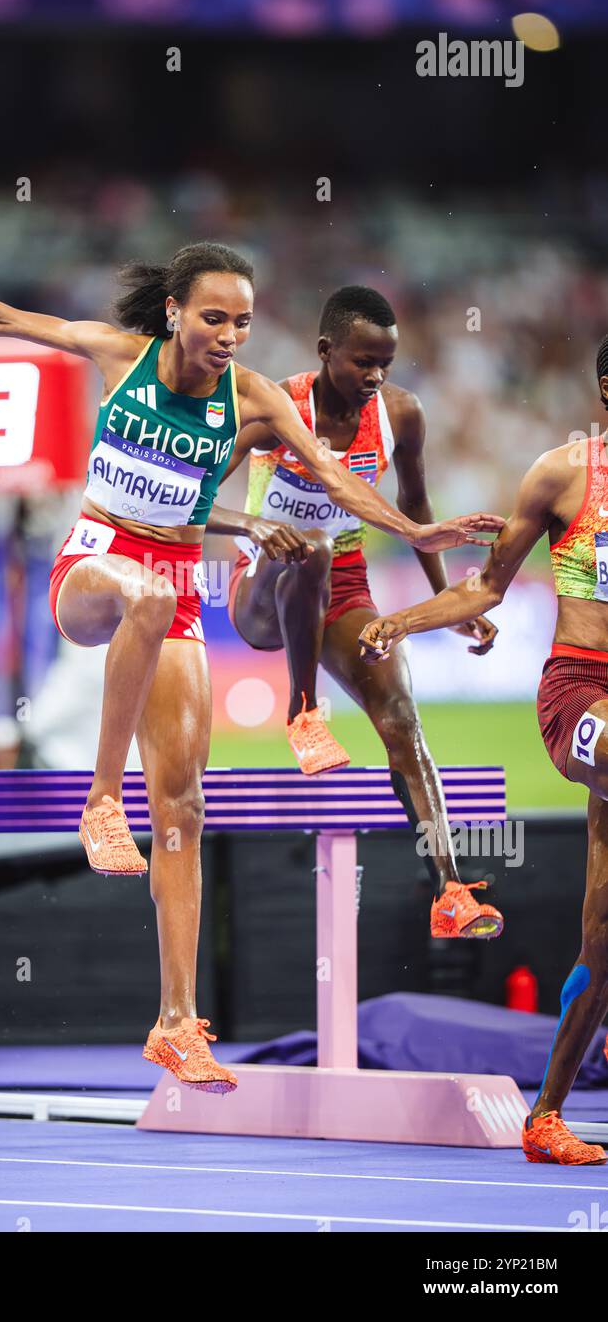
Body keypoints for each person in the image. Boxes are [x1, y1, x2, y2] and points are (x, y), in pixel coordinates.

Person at [0, 239, 500, 1092]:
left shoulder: (252, 398)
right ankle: (101, 802)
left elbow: (328, 473)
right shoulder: (118, 353)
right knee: (147, 596)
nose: (230, 335)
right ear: (173, 312)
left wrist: (417, 533)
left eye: (242, 321)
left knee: (184, 803)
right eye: (214, 317)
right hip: (93, 565)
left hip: (169, 584)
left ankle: (175, 1020)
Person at [357, 334, 608, 1165]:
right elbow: (487, 586)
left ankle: (545, 1118)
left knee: (601, 944)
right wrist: (402, 620)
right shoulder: (563, 474)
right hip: (579, 694)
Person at [207, 285, 503, 939]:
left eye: (384, 364)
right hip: (263, 586)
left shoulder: (401, 414)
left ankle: (450, 892)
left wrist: (448, 602)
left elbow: (418, 513)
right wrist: (254, 526)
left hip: (344, 587)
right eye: (361, 362)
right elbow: (197, 494)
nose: (374, 377)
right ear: (324, 351)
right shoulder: (275, 405)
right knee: (305, 551)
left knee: (402, 718)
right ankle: (303, 712)